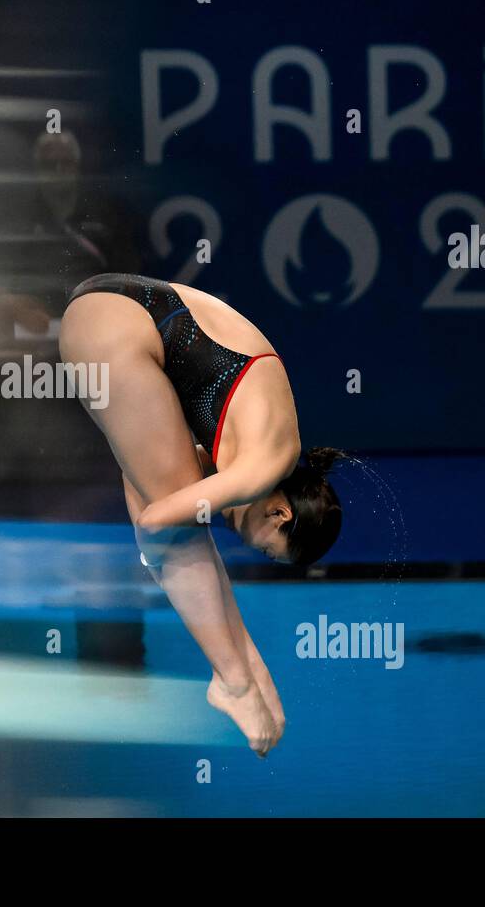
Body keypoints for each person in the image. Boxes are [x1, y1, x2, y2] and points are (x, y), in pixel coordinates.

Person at [60, 272, 344, 755]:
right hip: (115, 328)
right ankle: (232, 682)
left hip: (105, 313)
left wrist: (246, 650)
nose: (251, 548)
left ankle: (242, 669)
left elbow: (140, 486)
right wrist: (153, 558)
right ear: (280, 514)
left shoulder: (255, 450)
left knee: (183, 513)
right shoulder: (261, 466)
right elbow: (155, 521)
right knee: (183, 524)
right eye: (269, 552)